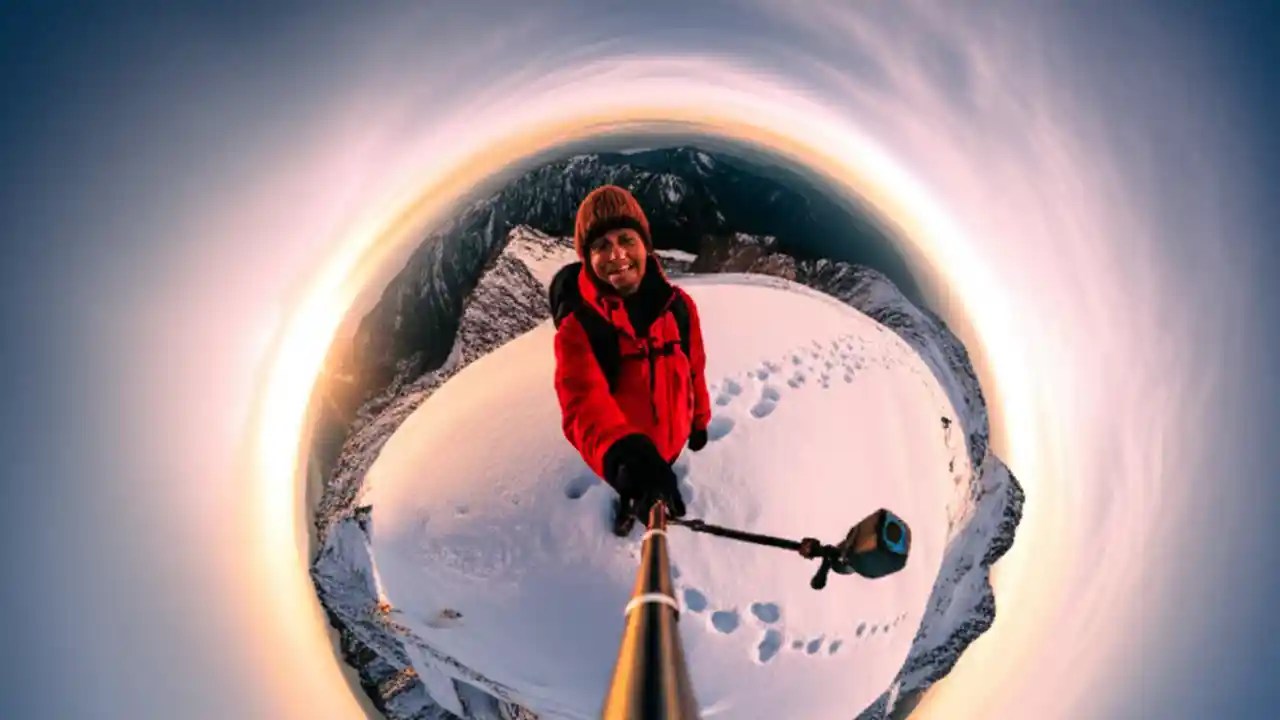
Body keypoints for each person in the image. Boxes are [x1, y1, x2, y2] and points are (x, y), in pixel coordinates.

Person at [551, 185, 712, 535]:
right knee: (635, 486)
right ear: (587, 259)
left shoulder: (680, 308)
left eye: (626, 239)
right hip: (626, 451)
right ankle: (627, 506)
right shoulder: (579, 330)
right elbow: (582, 405)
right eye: (601, 246)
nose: (616, 254)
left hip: (672, 440)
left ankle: (652, 481)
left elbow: (694, 368)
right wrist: (626, 458)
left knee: (660, 473)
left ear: (645, 245)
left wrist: (699, 420)